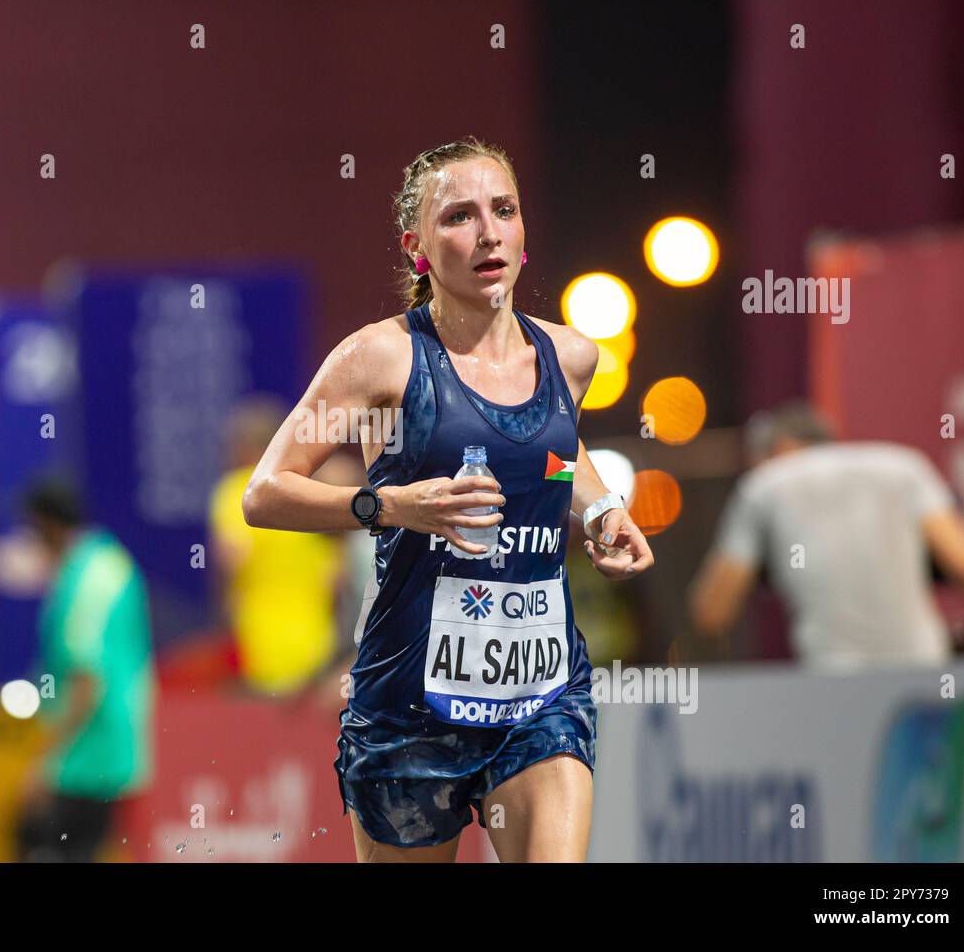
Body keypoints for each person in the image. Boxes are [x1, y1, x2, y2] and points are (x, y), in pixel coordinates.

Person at [242, 137, 655, 862]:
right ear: (419, 247)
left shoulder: (572, 356)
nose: (488, 232)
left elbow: (556, 447)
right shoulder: (379, 358)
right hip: (409, 702)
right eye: (460, 216)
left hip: (541, 691)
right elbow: (264, 492)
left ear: (524, 232)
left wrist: (598, 508)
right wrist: (392, 506)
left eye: (504, 210)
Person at [689, 400, 964, 670]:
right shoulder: (905, 467)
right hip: (922, 666)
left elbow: (712, 610)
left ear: (782, 447)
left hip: (833, 681)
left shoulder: (763, 486)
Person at [15, 477, 155, 862]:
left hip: (87, 758)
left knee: (42, 849)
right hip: (107, 751)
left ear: (45, 524)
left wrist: (49, 761)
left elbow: (86, 680)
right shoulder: (107, 563)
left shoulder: (89, 580)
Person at [207, 396, 344, 696]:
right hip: (319, 647)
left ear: (244, 446)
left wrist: (224, 602)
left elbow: (232, 557)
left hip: (262, 647)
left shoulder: (238, 490)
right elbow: (337, 576)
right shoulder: (311, 487)